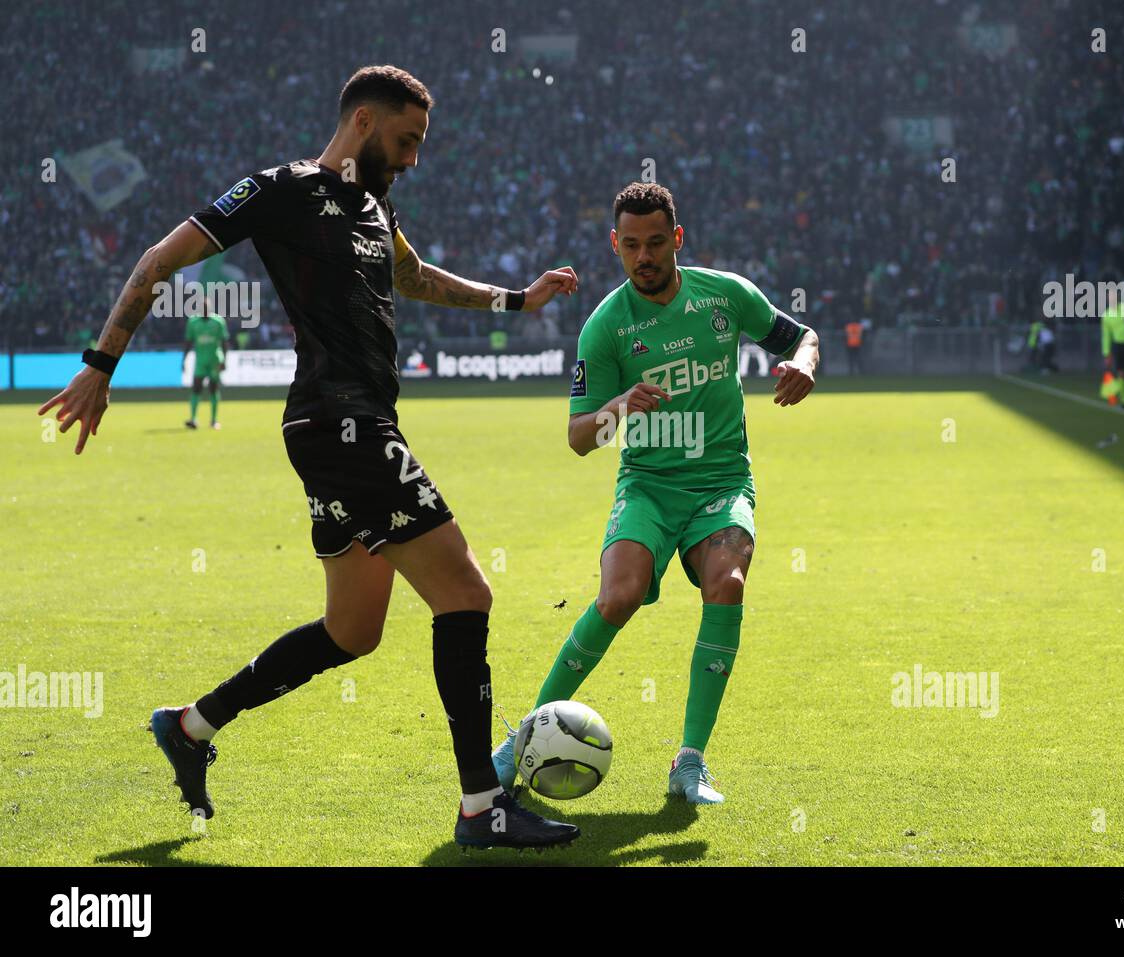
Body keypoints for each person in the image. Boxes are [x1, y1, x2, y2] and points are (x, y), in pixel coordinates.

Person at [36, 65, 582, 851]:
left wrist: (517, 300)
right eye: (406, 140)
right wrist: (99, 363)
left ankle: (190, 726)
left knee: (352, 629)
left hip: (344, 427)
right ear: (363, 122)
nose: (414, 158)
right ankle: (481, 805)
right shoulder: (280, 191)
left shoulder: (376, 206)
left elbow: (414, 277)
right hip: (340, 421)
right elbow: (158, 258)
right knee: (466, 591)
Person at [492, 182, 819, 804]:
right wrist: (617, 405)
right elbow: (580, 439)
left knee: (728, 583)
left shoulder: (726, 295)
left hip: (721, 482)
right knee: (619, 596)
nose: (644, 257)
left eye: (655, 243)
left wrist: (804, 362)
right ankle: (522, 740)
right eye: (631, 245)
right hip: (648, 485)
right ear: (615, 245)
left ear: (677, 239)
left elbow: (803, 335)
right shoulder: (606, 326)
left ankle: (689, 762)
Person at [182, 301, 228, 429]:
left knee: (213, 389)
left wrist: (224, 361)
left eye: (206, 308)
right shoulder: (192, 322)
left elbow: (224, 342)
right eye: (202, 308)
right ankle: (193, 419)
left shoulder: (219, 321)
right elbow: (188, 342)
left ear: (210, 308)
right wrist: (183, 360)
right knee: (196, 388)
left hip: (214, 360)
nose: (205, 310)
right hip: (200, 361)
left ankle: (214, 420)